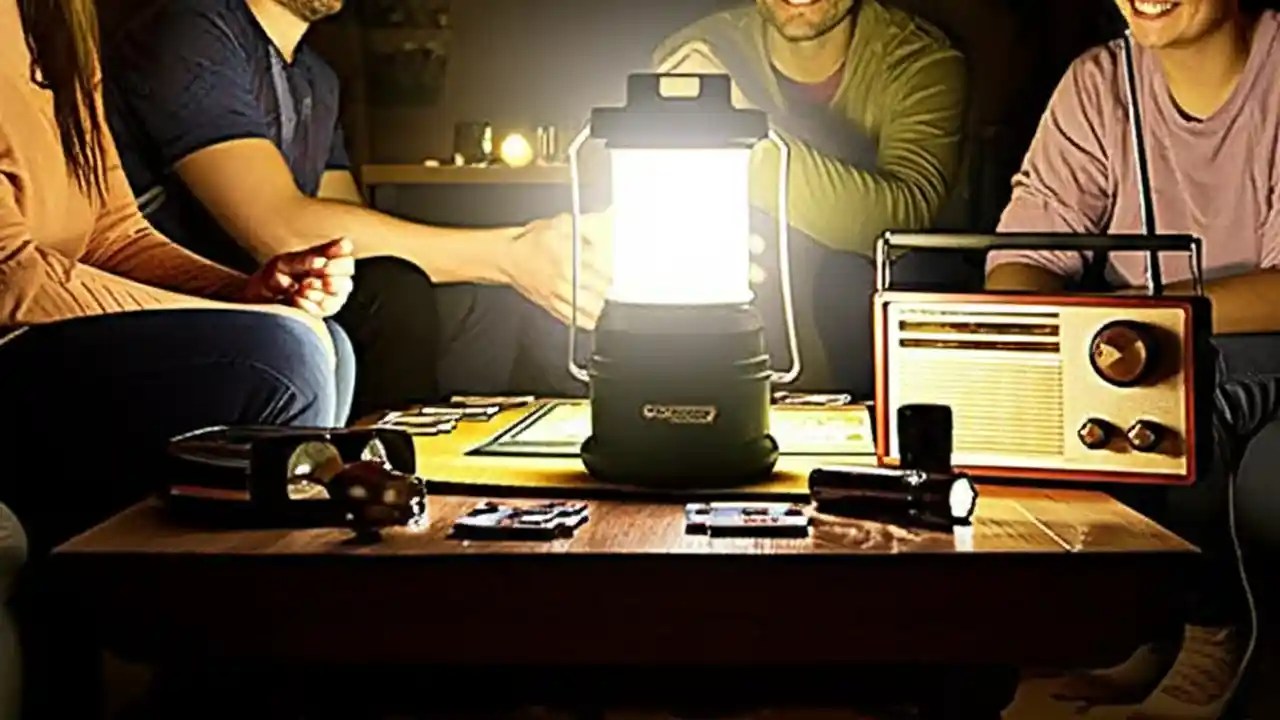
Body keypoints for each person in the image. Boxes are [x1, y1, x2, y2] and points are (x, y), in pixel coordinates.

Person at [98, 0, 612, 418]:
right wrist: (511, 253)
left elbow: (350, 228)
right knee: (392, 294)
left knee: (493, 307)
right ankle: (387, 489)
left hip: (304, 289)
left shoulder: (316, 80)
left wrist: (515, 267)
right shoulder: (190, 32)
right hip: (187, 304)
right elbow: (282, 229)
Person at [986, 0, 1280, 716]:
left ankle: (1215, 633)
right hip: (1135, 346)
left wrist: (1139, 324)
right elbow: (1021, 260)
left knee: (1184, 393)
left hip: (1247, 353)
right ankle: (1155, 633)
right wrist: (1061, 335)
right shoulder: (1099, 84)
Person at [0, 0, 355, 555]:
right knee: (281, 357)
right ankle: (224, 608)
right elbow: (11, 278)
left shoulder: (56, 20)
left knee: (325, 339)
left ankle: (246, 593)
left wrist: (246, 291)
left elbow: (113, 233)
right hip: (14, 349)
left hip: (53, 336)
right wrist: (245, 318)